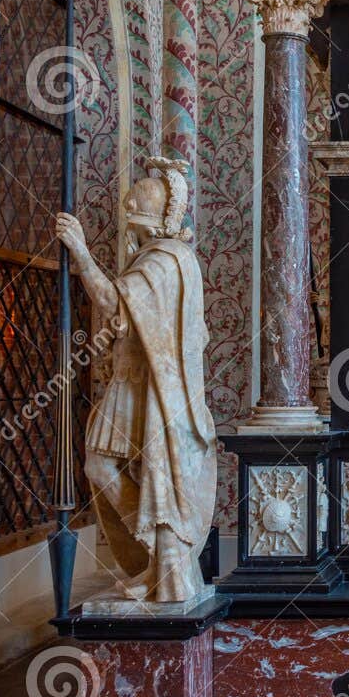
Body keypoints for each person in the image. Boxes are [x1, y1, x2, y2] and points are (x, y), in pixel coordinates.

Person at [55, 156, 217, 604]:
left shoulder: (162, 263)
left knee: (119, 466)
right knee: (119, 466)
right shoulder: (166, 258)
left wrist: (81, 251)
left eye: (131, 214)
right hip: (141, 382)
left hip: (147, 387)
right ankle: (162, 565)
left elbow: (112, 304)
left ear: (142, 221)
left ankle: (167, 565)